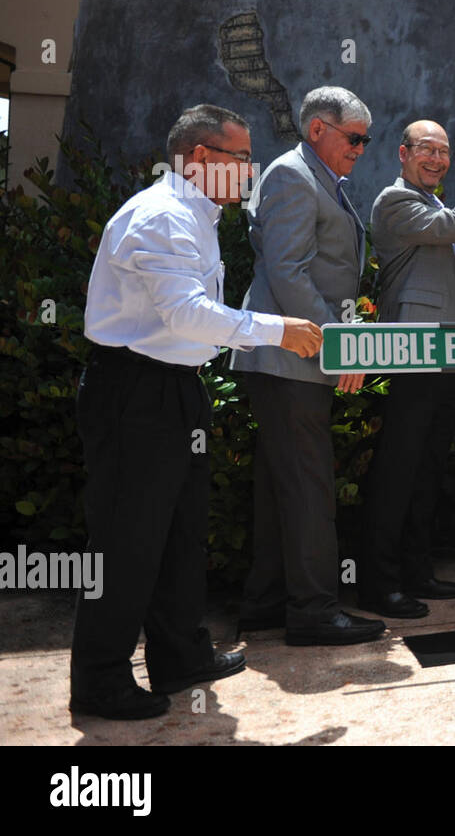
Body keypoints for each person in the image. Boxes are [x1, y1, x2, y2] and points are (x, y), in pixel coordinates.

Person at [72, 104, 322, 719]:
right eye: (242, 158)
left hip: (175, 386)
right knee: (127, 541)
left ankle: (181, 656)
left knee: (182, 532)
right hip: (135, 392)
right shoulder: (160, 217)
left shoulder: (196, 215)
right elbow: (185, 312)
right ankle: (100, 681)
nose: (250, 170)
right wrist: (275, 329)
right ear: (204, 159)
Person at [230, 86, 387, 645]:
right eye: (354, 138)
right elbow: (288, 273)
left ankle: (267, 603)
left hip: (288, 361)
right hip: (289, 358)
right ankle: (315, 613)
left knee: (284, 486)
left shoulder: (313, 178)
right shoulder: (293, 177)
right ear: (317, 129)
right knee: (309, 485)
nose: (362, 148)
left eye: (366, 140)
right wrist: (339, 344)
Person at [359, 121, 455, 617]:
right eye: (427, 150)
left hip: (449, 357)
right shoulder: (394, 201)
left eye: (445, 152)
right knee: (398, 470)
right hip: (413, 354)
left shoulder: (436, 203)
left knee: (426, 470)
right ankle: (379, 584)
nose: (438, 160)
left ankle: (416, 571)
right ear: (403, 153)